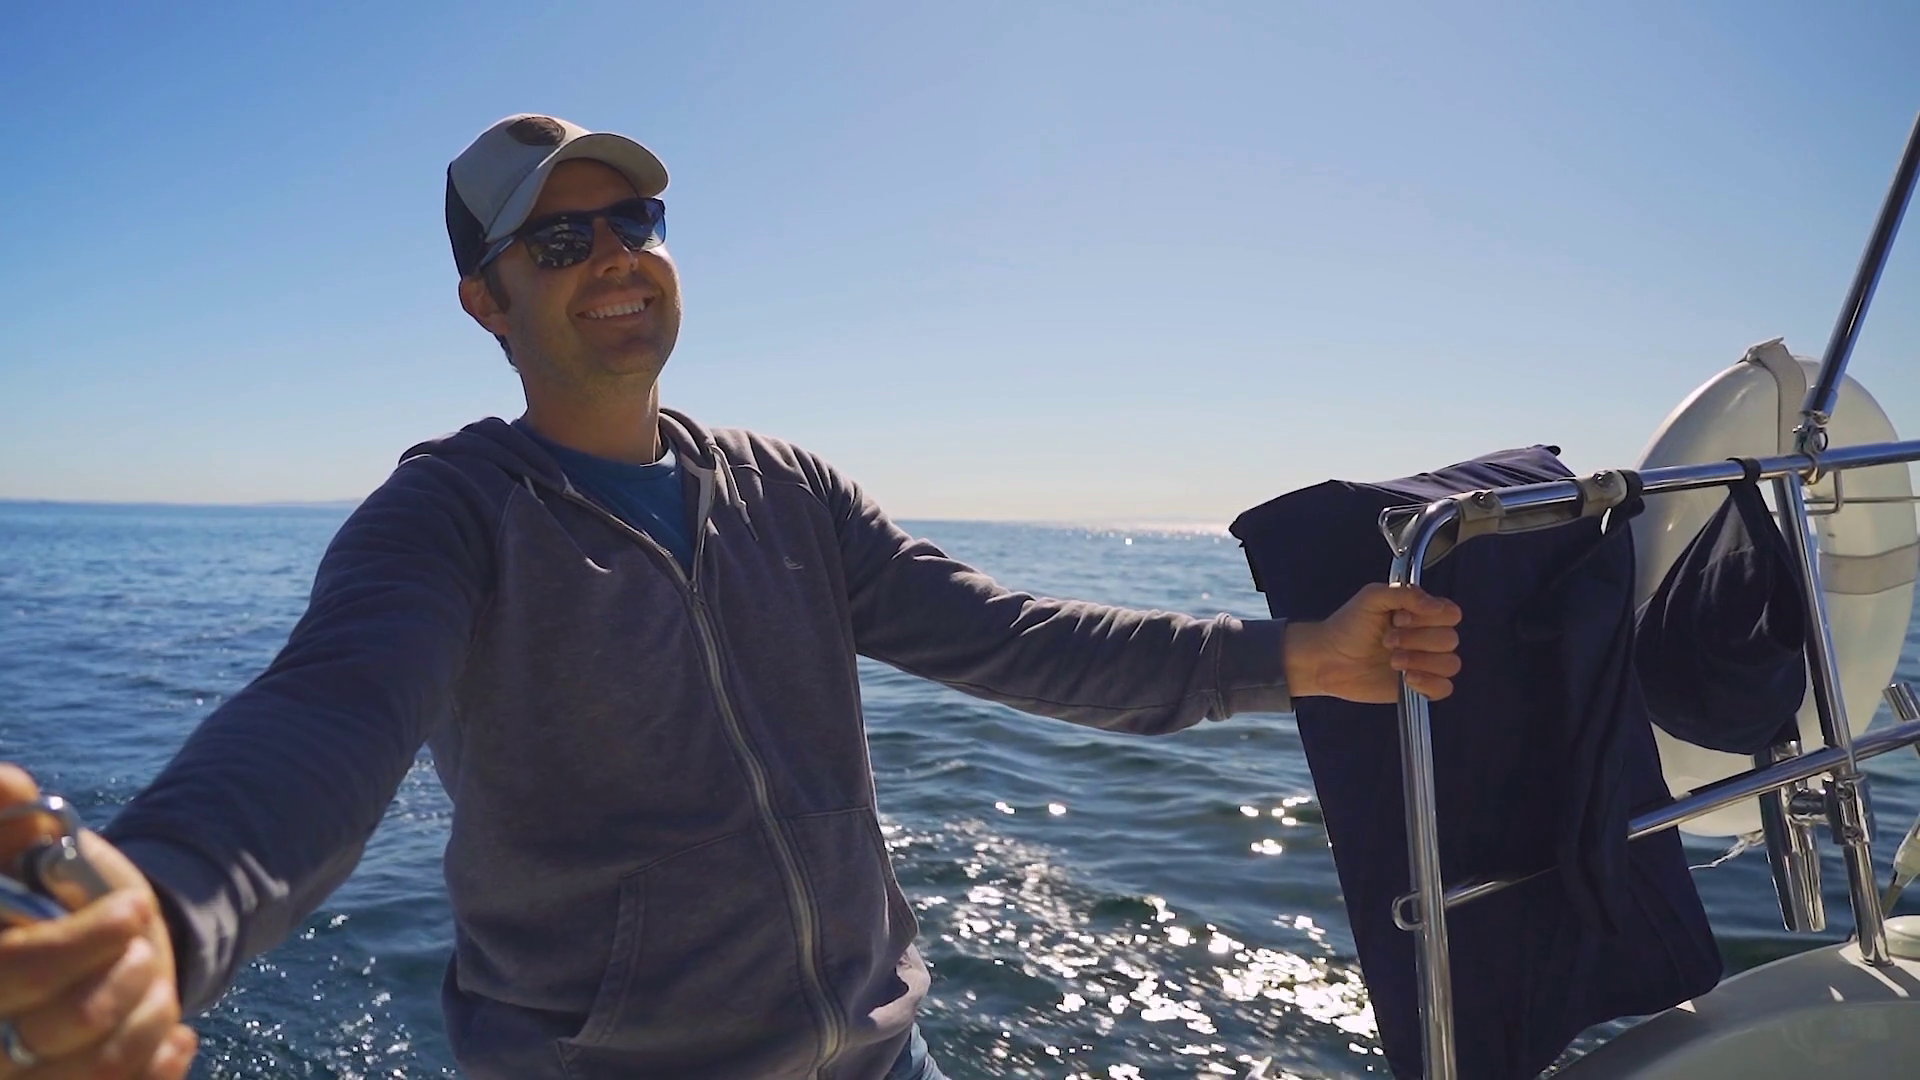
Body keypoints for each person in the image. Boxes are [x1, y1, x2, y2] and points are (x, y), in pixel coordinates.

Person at [0, 114, 1462, 1080]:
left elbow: (1015, 635)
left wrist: (1303, 659)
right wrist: (167, 905)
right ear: (484, 304)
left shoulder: (789, 489)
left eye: (631, 218)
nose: (614, 259)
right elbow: (330, 709)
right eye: (557, 243)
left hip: (883, 1055)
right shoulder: (447, 519)